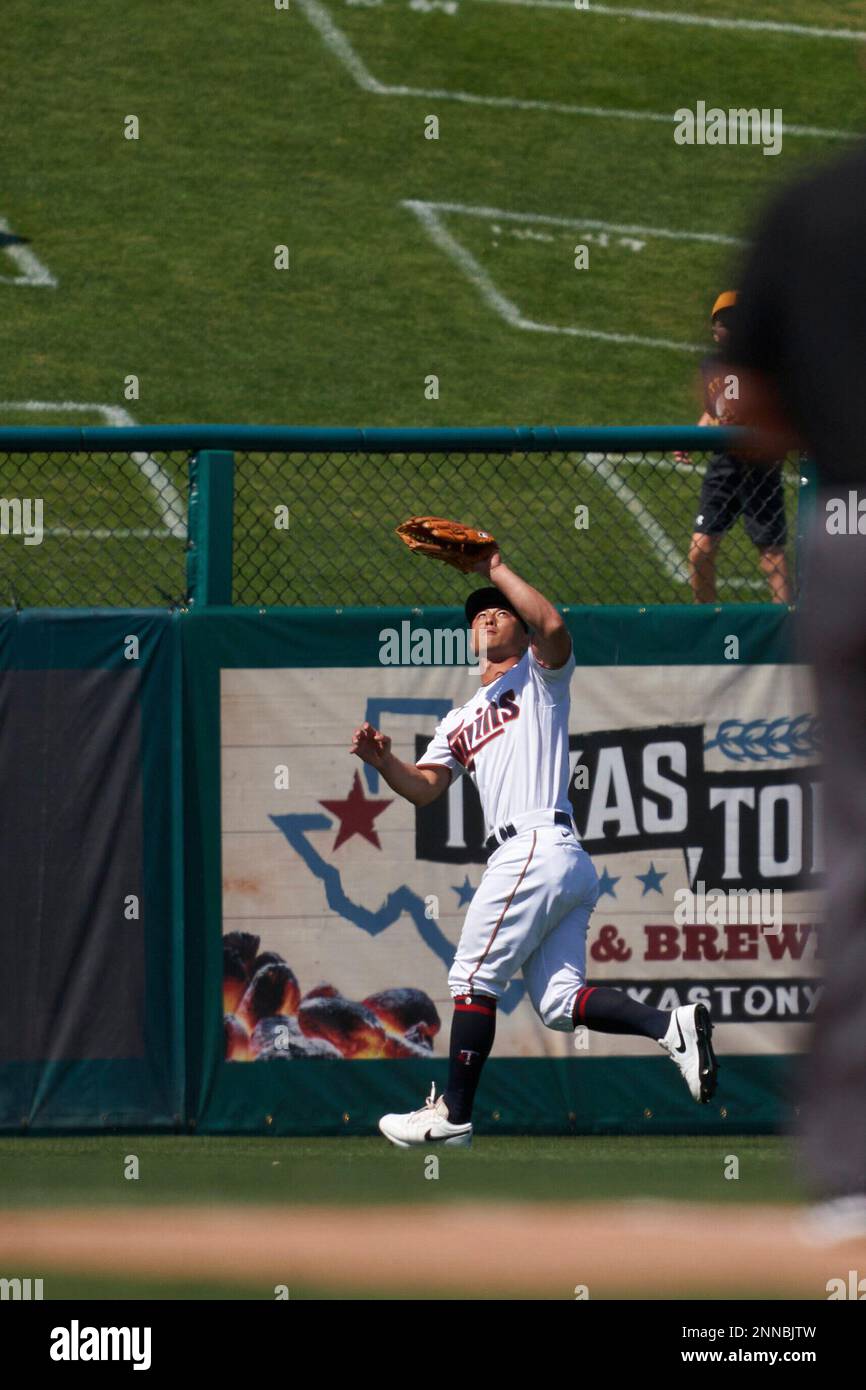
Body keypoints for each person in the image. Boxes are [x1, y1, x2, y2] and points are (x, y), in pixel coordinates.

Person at [350, 548, 718, 1147]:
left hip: (536, 846)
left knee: (472, 974)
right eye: (478, 615)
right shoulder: (457, 720)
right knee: (558, 1003)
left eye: (499, 610)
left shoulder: (541, 678)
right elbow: (422, 789)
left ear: (519, 627)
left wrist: (491, 565)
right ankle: (670, 1026)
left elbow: (552, 627)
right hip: (555, 863)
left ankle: (454, 1116)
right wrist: (383, 760)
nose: (487, 616)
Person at [721, 140, 866, 1238]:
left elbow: (735, 397)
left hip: (851, 533)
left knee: (856, 859)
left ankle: (853, 1178)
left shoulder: (810, 203)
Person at [676, 291, 791, 604]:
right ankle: (708, 619)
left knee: (771, 556)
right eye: (723, 323)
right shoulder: (710, 366)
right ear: (714, 332)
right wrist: (692, 437)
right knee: (701, 550)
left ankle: (785, 625)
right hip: (724, 467)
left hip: (761, 468)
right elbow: (712, 412)